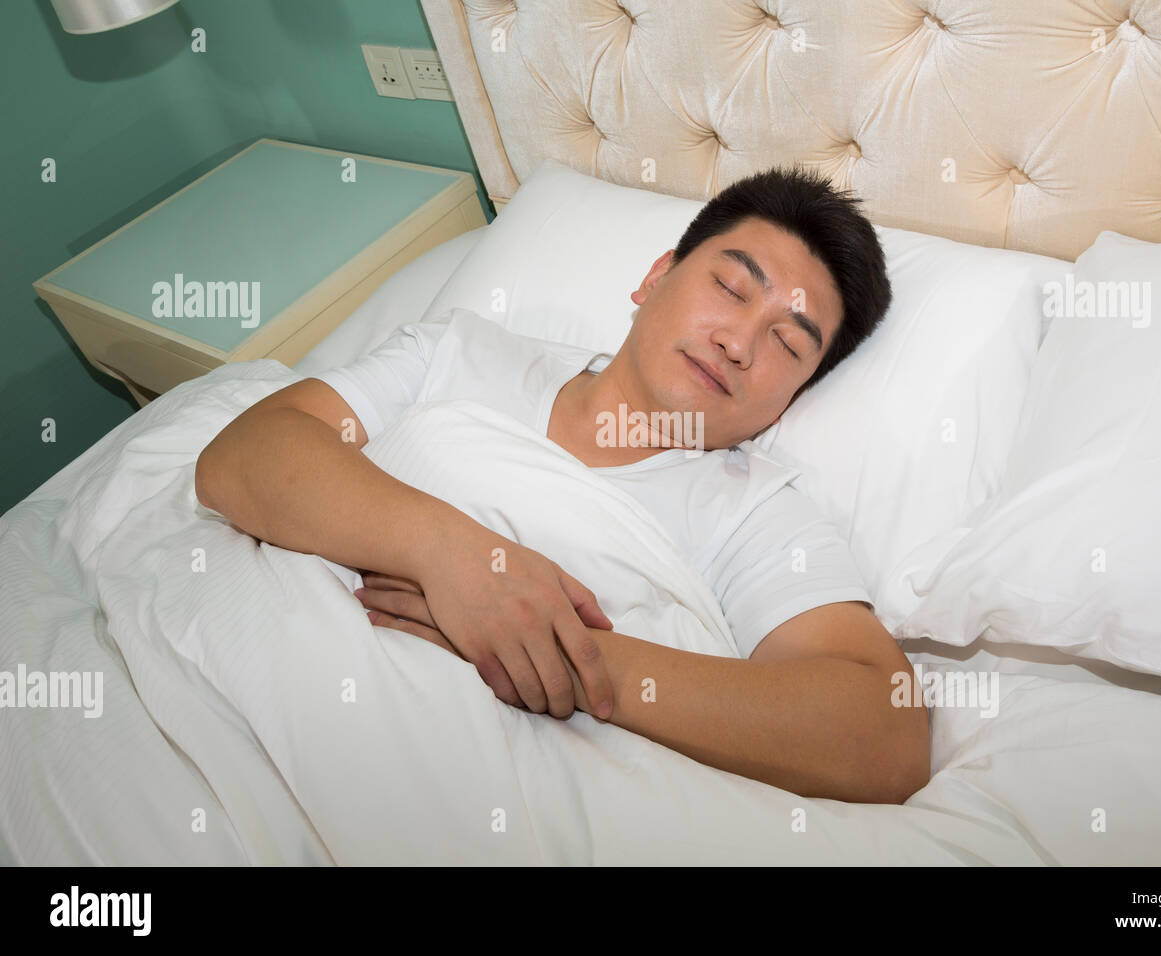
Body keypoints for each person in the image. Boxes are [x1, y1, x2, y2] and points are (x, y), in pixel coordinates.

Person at [195, 166, 931, 804]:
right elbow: (242, 456)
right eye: (733, 288)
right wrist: (449, 556)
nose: (738, 343)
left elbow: (883, 731)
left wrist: (563, 652)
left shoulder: (759, 515)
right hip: (224, 688)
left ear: (792, 399)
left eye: (786, 343)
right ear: (656, 276)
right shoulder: (458, 352)